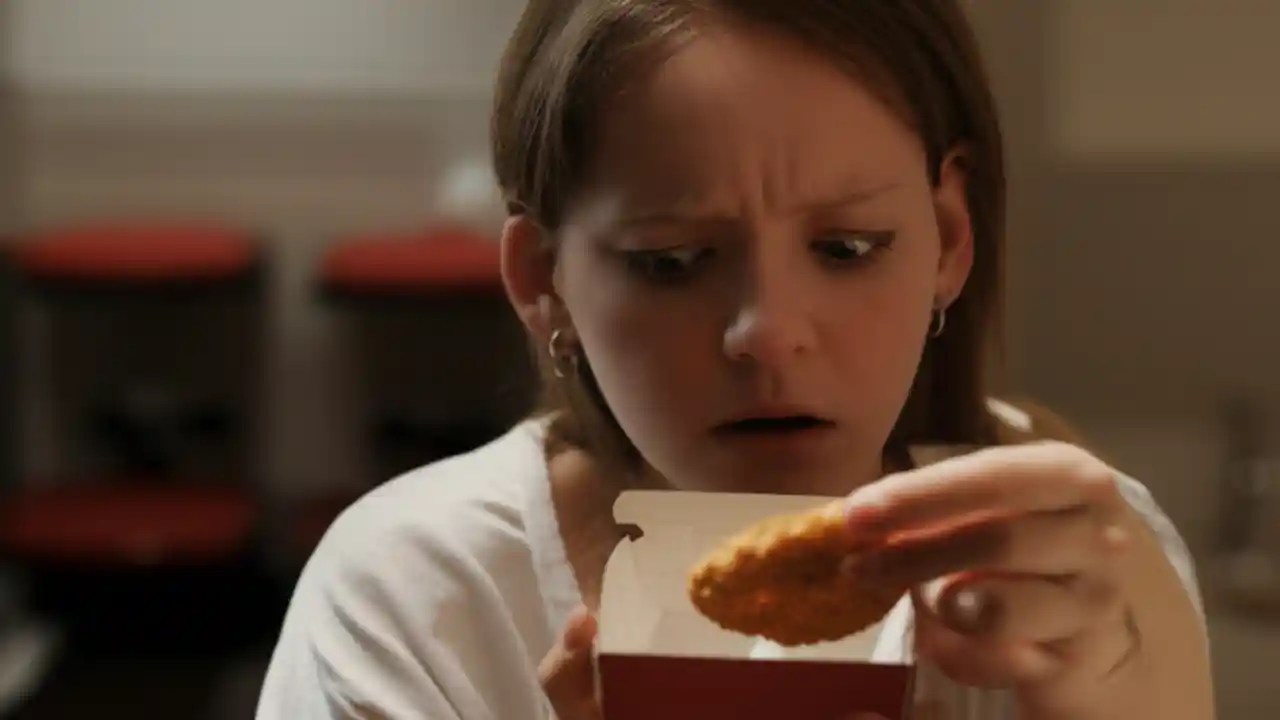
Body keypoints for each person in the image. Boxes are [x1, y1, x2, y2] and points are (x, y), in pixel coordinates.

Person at [256, 1, 1214, 718]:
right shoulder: (419, 594)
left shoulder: (1080, 573)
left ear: (949, 239)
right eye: (671, 263)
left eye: (847, 249)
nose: (768, 331)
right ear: (544, 279)